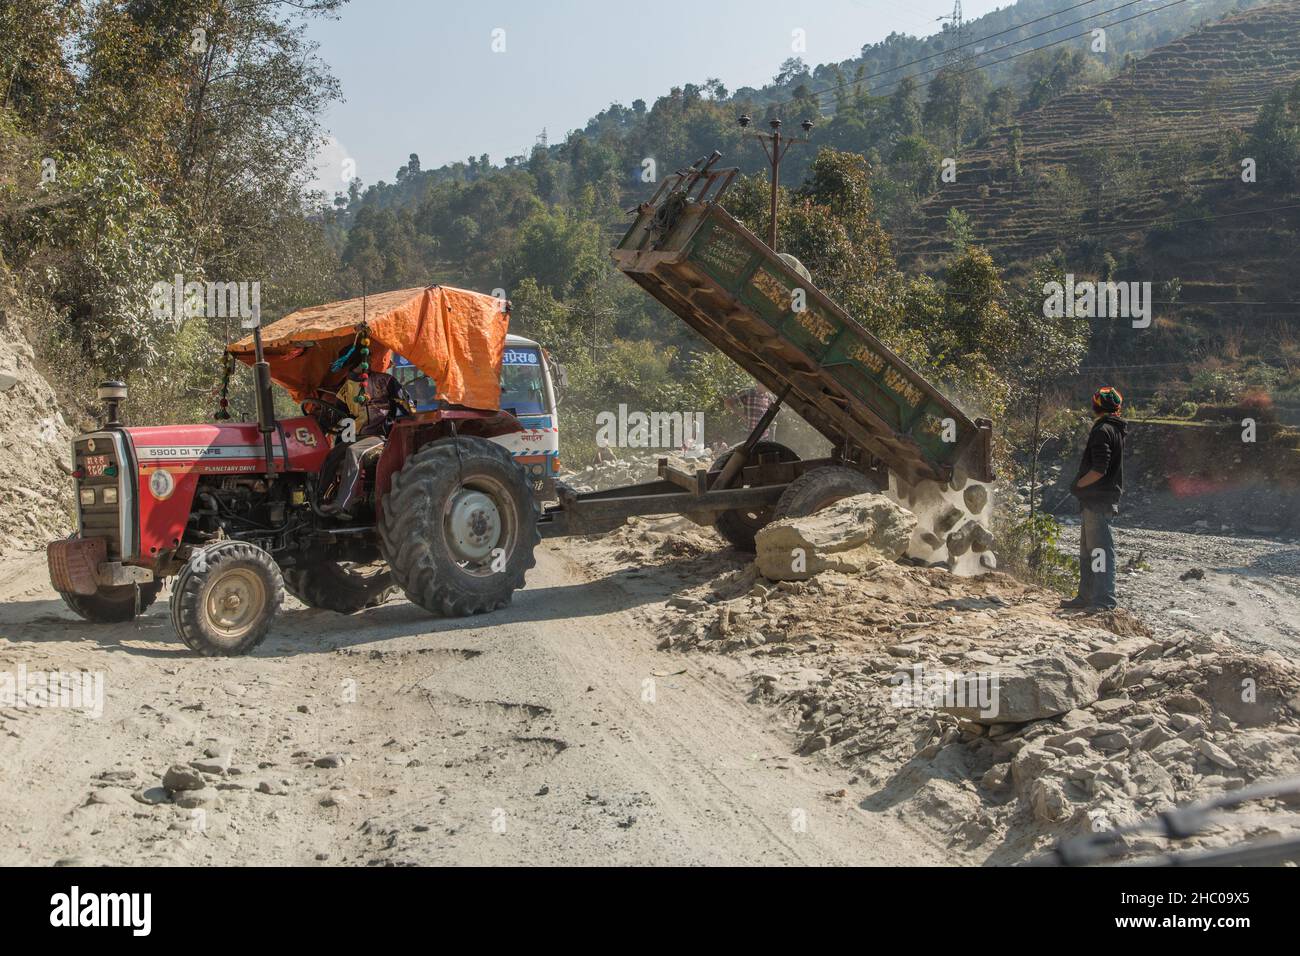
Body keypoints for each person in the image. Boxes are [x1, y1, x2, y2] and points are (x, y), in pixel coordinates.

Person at [319, 339, 412, 517]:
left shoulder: (386, 381)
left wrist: (396, 421)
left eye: (367, 359)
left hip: (381, 438)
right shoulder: (346, 389)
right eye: (364, 360)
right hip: (359, 436)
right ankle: (319, 499)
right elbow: (340, 415)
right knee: (332, 455)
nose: (367, 363)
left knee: (354, 452)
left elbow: (407, 406)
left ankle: (342, 505)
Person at [1061, 385, 1128, 612]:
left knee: (1099, 552)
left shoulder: (1102, 431)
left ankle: (1103, 601)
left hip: (1097, 500)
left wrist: (1078, 484)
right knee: (1089, 552)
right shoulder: (1116, 430)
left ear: (1096, 405)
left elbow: (1099, 469)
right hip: (1097, 500)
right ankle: (1086, 597)